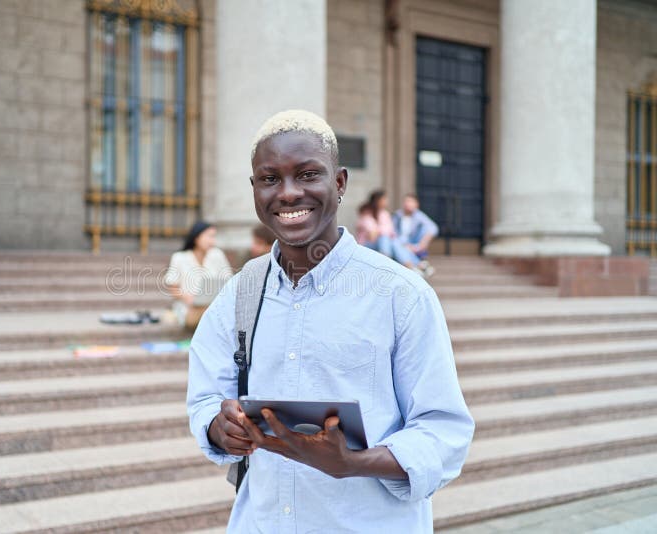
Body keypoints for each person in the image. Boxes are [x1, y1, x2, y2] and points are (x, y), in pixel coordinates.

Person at [186, 110, 474, 532]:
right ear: (254, 189)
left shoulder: (400, 295)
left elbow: (443, 433)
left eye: (307, 175)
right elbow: (206, 396)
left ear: (339, 183)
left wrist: (353, 463)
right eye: (270, 179)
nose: (288, 194)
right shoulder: (241, 292)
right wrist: (218, 427)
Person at [163, 221, 232, 331]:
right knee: (206, 315)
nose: (212, 241)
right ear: (197, 237)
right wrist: (189, 299)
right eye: (209, 236)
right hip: (188, 307)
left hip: (214, 305)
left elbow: (228, 281)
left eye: (214, 237)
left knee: (215, 312)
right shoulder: (179, 257)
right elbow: (173, 288)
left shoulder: (217, 255)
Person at [355, 189, 420, 272]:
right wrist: (382, 232)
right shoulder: (366, 214)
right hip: (366, 246)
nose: (387, 201)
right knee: (385, 238)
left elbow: (391, 233)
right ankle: (414, 265)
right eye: (384, 199)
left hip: (385, 245)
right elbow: (372, 237)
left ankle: (409, 266)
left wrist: (380, 231)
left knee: (394, 242)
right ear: (378, 201)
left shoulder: (384, 214)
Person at [392, 193, 439, 270]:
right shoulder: (397, 215)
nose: (408, 204)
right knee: (396, 245)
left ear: (416, 204)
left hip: (412, 243)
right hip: (398, 242)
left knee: (403, 248)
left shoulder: (419, 216)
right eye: (406, 201)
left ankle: (414, 266)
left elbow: (433, 228)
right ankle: (417, 265)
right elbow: (391, 231)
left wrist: (422, 244)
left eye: (411, 202)